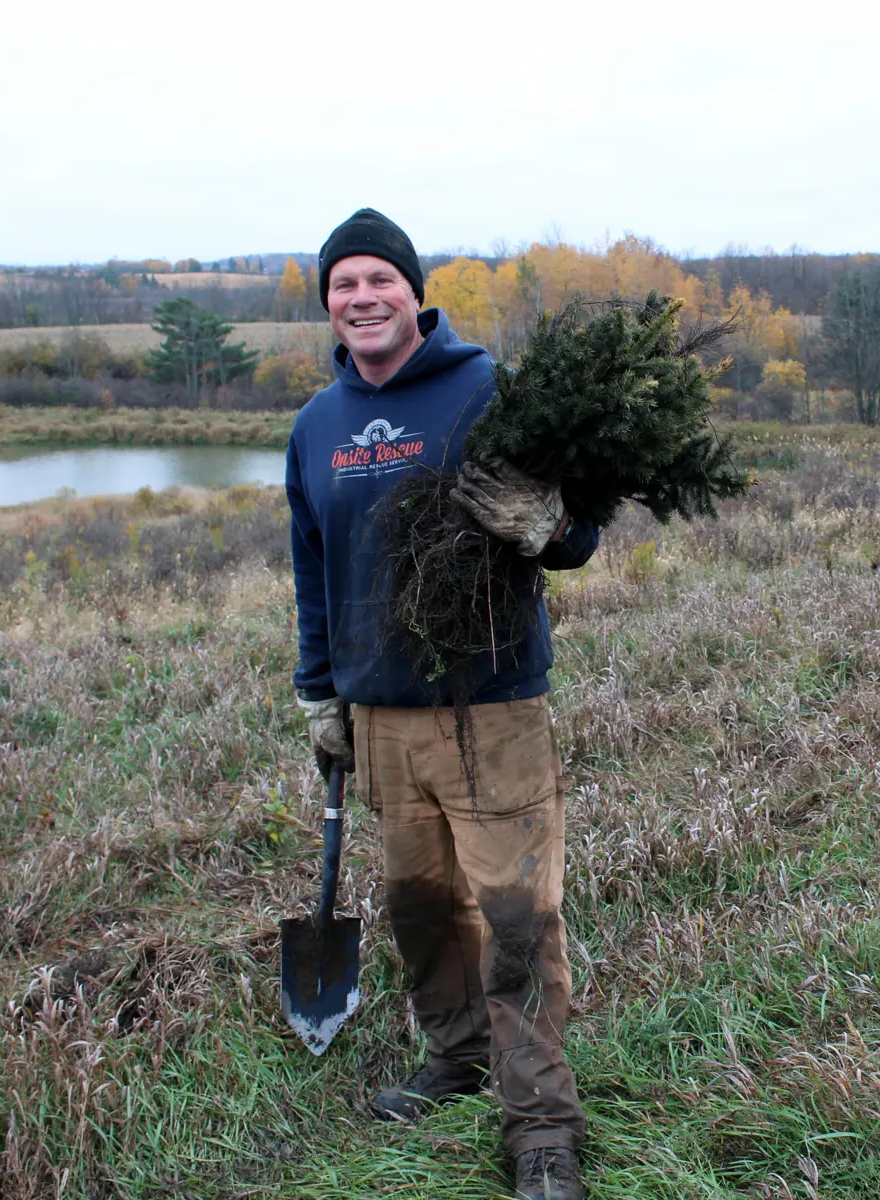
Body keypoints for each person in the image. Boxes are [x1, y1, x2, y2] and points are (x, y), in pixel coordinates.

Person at [285, 208, 596, 1200]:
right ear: (328, 304)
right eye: (344, 285)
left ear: (414, 292)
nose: (362, 298)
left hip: (490, 709)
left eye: (379, 280)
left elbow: (576, 528)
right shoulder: (316, 426)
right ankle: (458, 1055)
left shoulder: (488, 389)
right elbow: (311, 570)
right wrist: (317, 691)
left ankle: (541, 1123)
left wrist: (550, 526)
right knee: (420, 909)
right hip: (379, 719)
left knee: (516, 917)